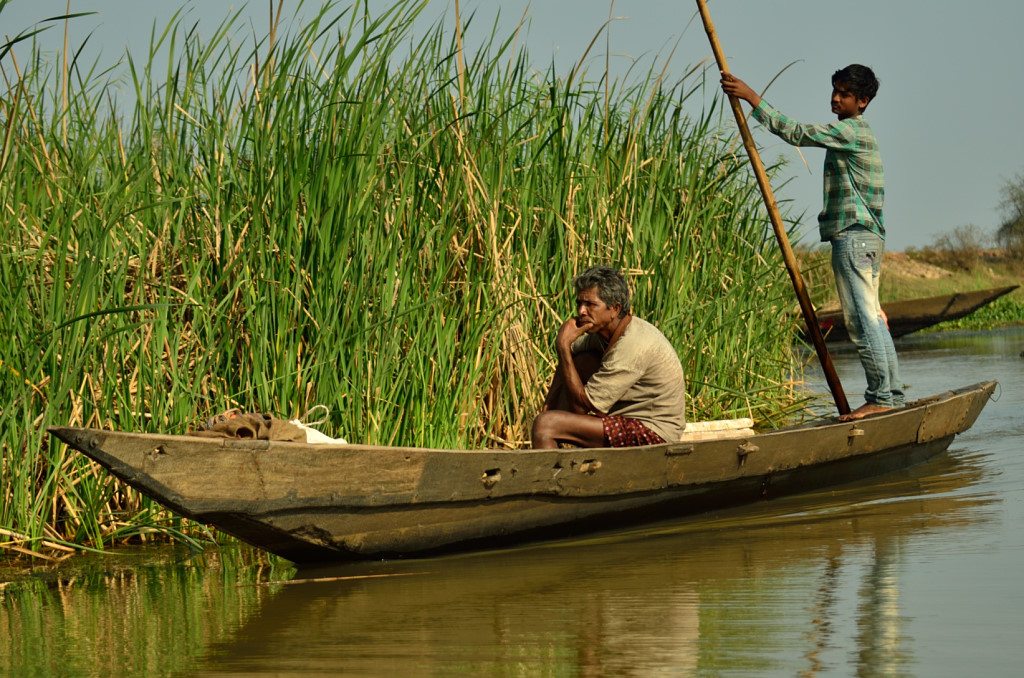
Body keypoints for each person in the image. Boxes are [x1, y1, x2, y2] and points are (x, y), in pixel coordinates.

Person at [721, 64, 905, 421]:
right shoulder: (855, 132)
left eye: (845, 94)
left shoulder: (851, 131)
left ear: (863, 101)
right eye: (834, 91)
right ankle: (890, 395)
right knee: (874, 318)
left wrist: (752, 97)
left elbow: (797, 133)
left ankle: (883, 396)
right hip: (864, 237)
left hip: (854, 237)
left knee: (863, 320)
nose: (835, 99)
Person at [530, 266, 687, 449]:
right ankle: (560, 458)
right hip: (625, 419)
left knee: (546, 425)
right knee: (581, 361)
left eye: (590, 305)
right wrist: (549, 406)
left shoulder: (633, 345)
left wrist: (562, 346)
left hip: (653, 433)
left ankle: (552, 476)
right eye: (579, 303)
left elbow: (583, 408)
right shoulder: (602, 335)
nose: (581, 311)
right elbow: (571, 358)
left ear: (614, 309)